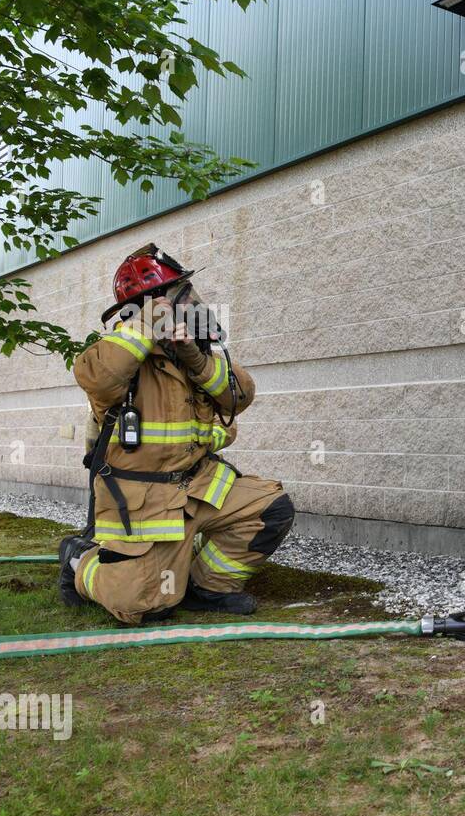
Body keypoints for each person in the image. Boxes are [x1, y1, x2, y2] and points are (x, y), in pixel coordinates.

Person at [58, 243, 294, 624]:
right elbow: (99, 378)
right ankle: (78, 561)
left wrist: (197, 360)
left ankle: (209, 587)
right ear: (150, 304)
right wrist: (147, 324)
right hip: (146, 504)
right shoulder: (116, 356)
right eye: (180, 297)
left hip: (198, 488)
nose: (193, 304)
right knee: (145, 607)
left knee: (271, 509)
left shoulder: (190, 354)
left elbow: (239, 397)